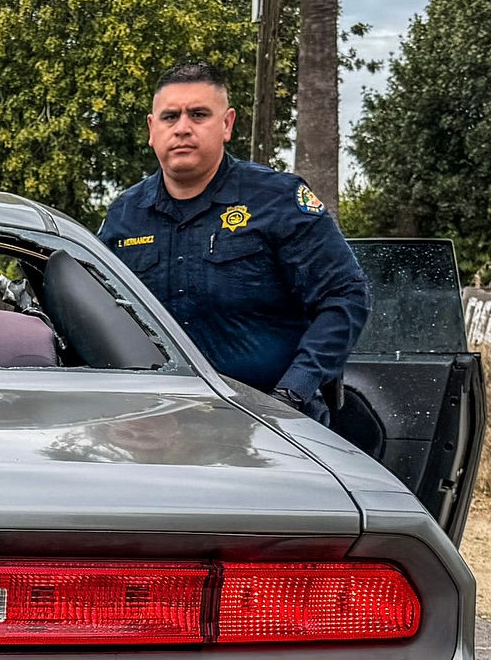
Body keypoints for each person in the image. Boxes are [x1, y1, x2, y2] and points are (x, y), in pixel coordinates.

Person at [100, 60, 370, 423]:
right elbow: (96, 310)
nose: (182, 128)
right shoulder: (125, 215)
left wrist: (292, 391)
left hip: (273, 422)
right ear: (152, 129)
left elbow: (345, 296)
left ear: (226, 124)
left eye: (198, 115)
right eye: (169, 117)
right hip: (158, 425)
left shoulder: (278, 200)